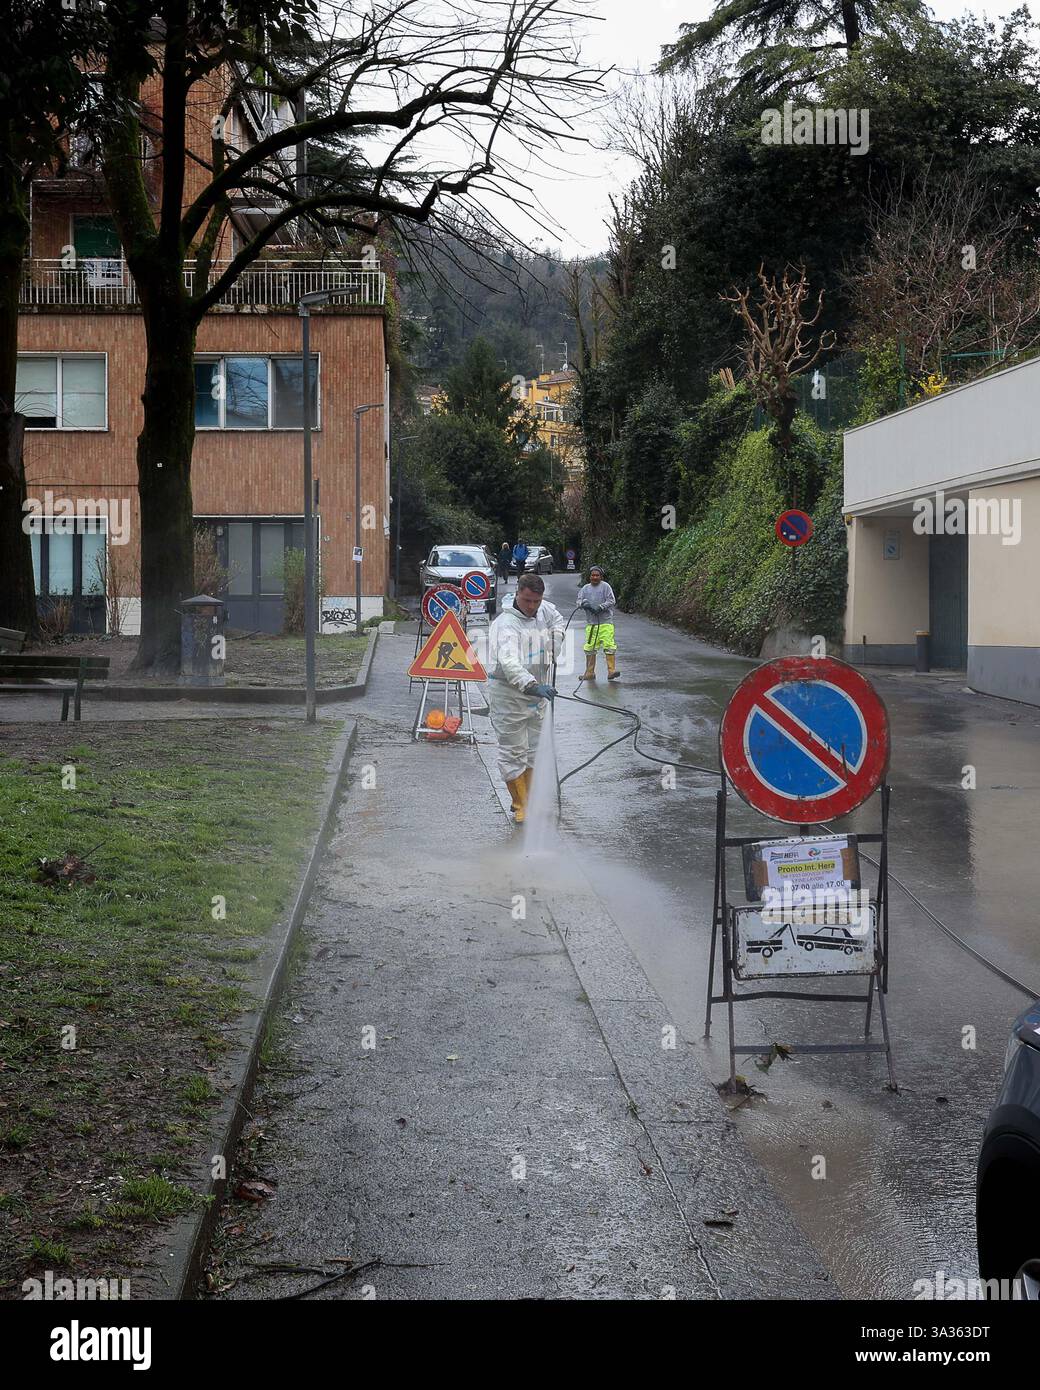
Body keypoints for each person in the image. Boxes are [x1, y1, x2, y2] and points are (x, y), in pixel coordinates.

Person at [488, 572, 565, 824]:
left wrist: (556, 639)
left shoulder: (544, 610)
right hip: (509, 695)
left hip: (536, 694)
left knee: (533, 749)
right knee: (513, 751)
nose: (531, 607)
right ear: (518, 594)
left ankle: (530, 799)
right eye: (527, 601)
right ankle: (520, 803)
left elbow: (557, 619)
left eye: (536, 602)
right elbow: (509, 662)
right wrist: (531, 685)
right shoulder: (505, 624)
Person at [576, 565, 620, 682]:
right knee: (590, 648)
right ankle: (589, 672)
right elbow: (578, 602)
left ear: (601, 576)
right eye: (593, 575)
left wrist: (601, 607)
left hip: (606, 623)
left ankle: (611, 671)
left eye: (597, 575)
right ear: (590, 576)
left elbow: (611, 600)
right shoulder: (585, 588)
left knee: (609, 645)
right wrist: (584, 605)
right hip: (591, 624)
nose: (594, 577)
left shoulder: (606, 587)